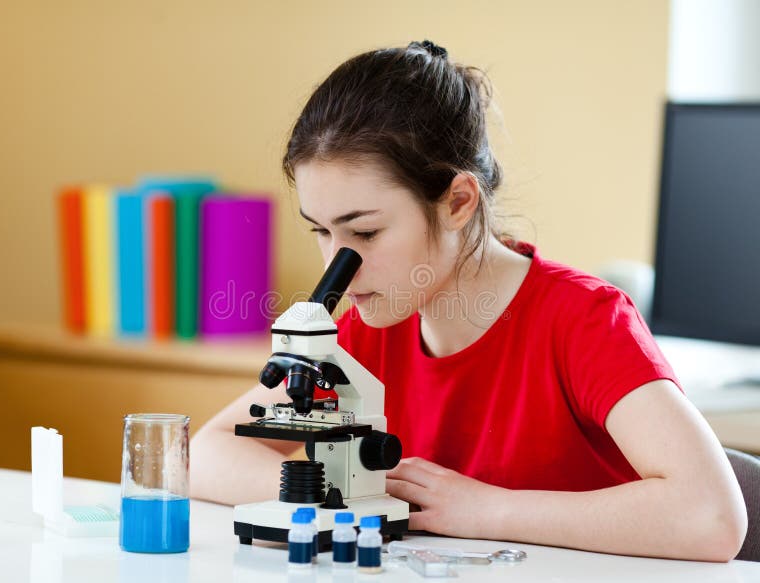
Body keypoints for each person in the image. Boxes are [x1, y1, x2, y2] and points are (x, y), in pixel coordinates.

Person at [190, 40, 747, 562]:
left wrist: (488, 509)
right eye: (321, 231)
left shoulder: (584, 321)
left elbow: (711, 516)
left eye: (364, 232)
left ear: (458, 202)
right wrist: (342, 495)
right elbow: (207, 453)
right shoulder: (368, 330)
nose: (339, 265)